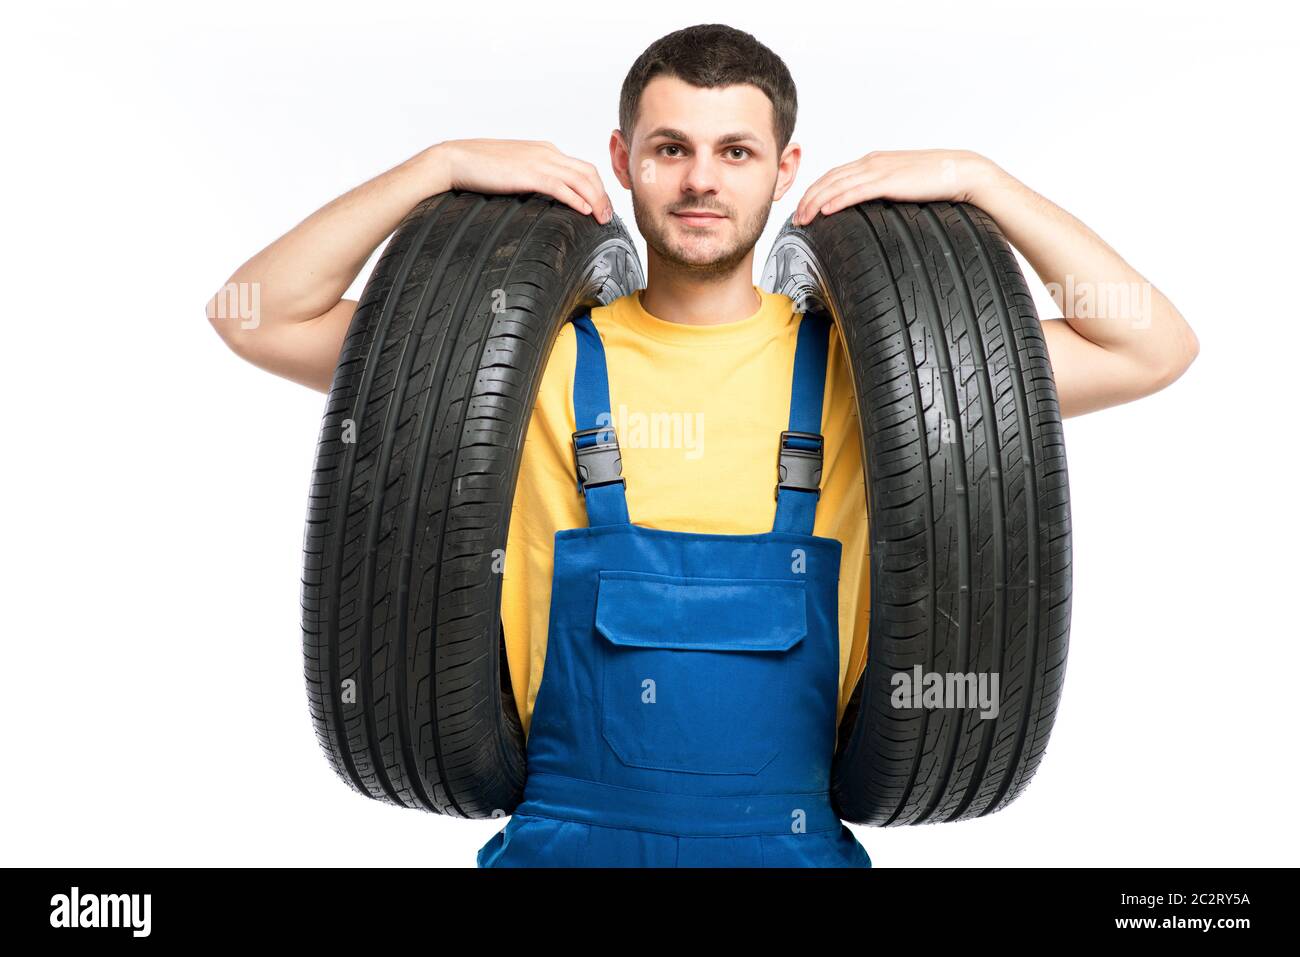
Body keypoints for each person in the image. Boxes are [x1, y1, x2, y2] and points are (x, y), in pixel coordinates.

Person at [206, 23, 1199, 867]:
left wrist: (982, 184)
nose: (698, 181)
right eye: (669, 148)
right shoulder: (512, 368)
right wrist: (435, 170)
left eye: (734, 152)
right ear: (622, 159)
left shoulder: (885, 379)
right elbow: (256, 318)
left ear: (785, 170)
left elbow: (1150, 347)